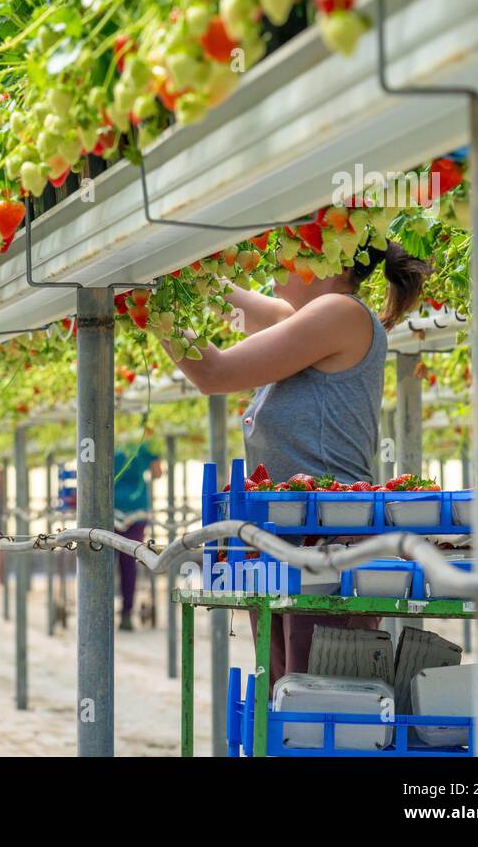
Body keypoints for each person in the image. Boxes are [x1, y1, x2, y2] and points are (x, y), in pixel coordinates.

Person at [165, 238, 430, 682]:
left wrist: (156, 313)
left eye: (289, 243)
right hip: (290, 539)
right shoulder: (307, 319)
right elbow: (226, 298)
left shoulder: (340, 314)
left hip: (328, 542)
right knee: (289, 698)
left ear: (327, 256)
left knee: (317, 702)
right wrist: (172, 271)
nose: (275, 255)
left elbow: (214, 372)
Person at [113, 441, 163, 630]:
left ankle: (100, 611)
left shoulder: (106, 436)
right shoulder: (144, 442)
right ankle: (126, 614)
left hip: (109, 508)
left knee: (104, 562)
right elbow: (157, 473)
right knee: (129, 563)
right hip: (136, 511)